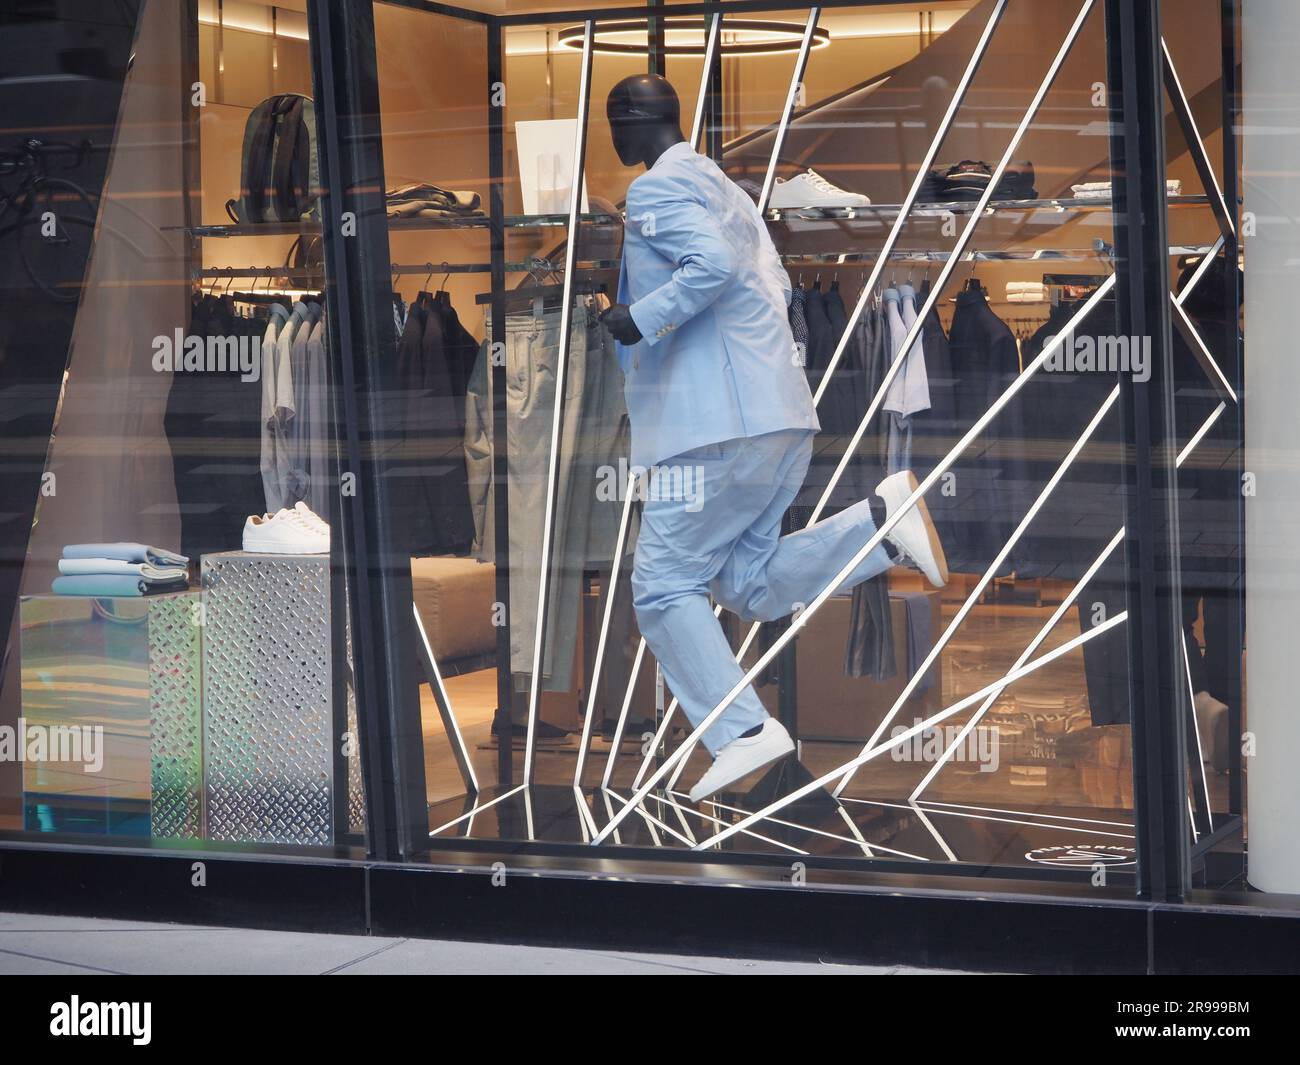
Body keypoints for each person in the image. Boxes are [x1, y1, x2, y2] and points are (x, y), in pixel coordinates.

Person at [600, 74, 948, 802]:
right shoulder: (729, 191)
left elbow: (714, 269)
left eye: (613, 121)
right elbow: (775, 286)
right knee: (747, 584)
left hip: (712, 427)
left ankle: (741, 731)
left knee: (663, 587)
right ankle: (879, 529)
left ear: (628, 123)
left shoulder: (655, 192)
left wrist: (639, 316)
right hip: (777, 416)